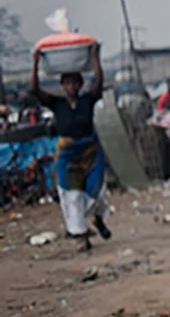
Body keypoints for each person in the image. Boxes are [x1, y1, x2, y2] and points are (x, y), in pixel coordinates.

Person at [31, 46, 112, 250]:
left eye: (75, 83)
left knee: (97, 191)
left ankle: (98, 220)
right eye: (67, 83)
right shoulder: (57, 104)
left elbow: (99, 81)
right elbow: (35, 90)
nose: (71, 87)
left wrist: (95, 56)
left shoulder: (87, 100)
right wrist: (35, 62)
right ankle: (81, 236)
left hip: (90, 151)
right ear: (62, 86)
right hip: (68, 154)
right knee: (72, 195)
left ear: (80, 84)